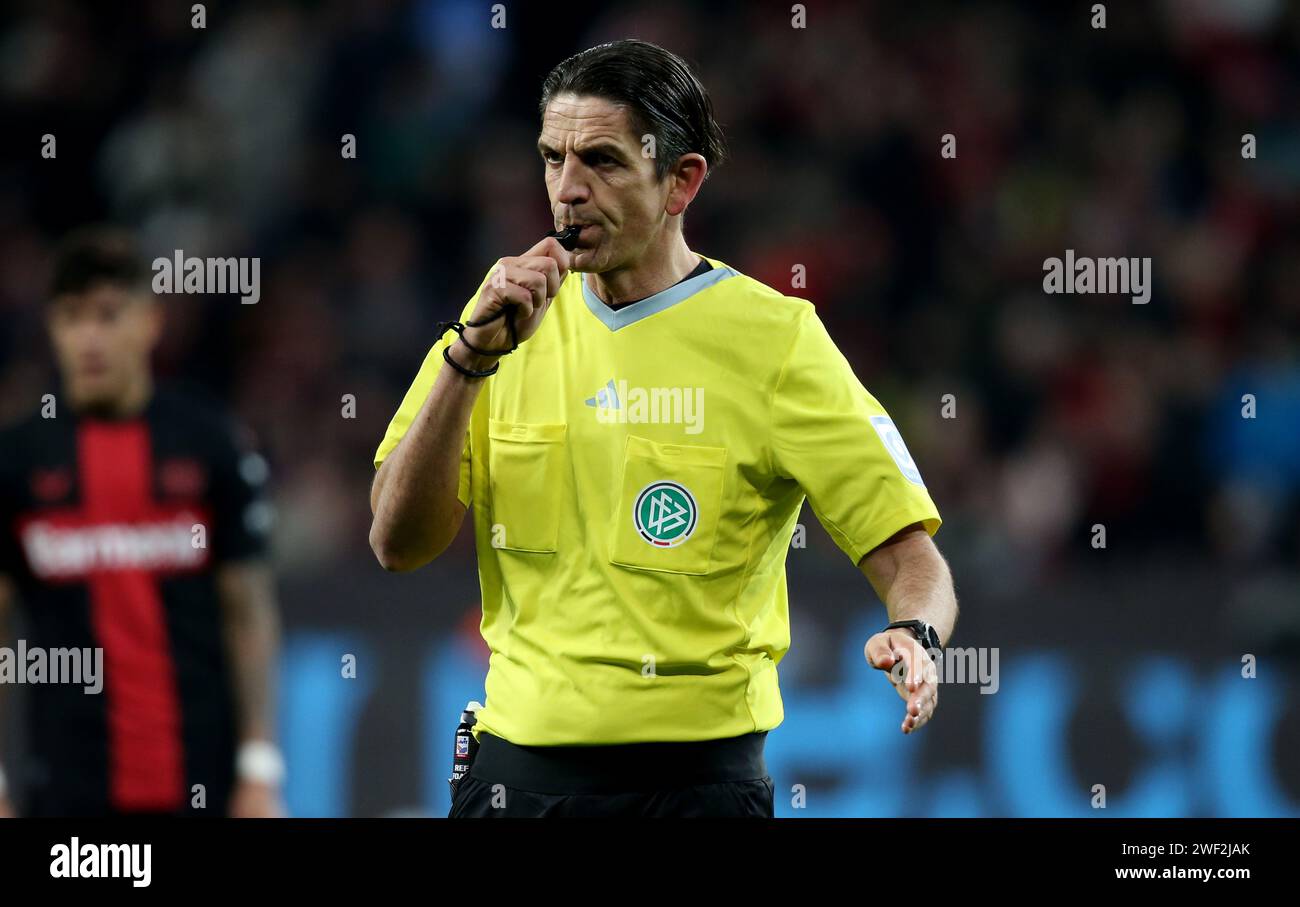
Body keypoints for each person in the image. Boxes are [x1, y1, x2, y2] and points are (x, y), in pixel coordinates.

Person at [369, 39, 959, 818]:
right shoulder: (498, 317)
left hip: (696, 794)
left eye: (603, 162)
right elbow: (396, 542)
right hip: (515, 785)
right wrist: (467, 360)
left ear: (681, 181)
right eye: (553, 159)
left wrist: (916, 633)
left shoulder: (776, 340)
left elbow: (912, 558)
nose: (567, 191)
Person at [0, 227, 285, 817]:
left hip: (201, 779)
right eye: (72, 317)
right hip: (66, 790)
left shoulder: (212, 443)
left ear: (149, 321)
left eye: (108, 315)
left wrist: (259, 768)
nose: (90, 338)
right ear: (52, 327)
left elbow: (248, 610)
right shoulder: (18, 462)